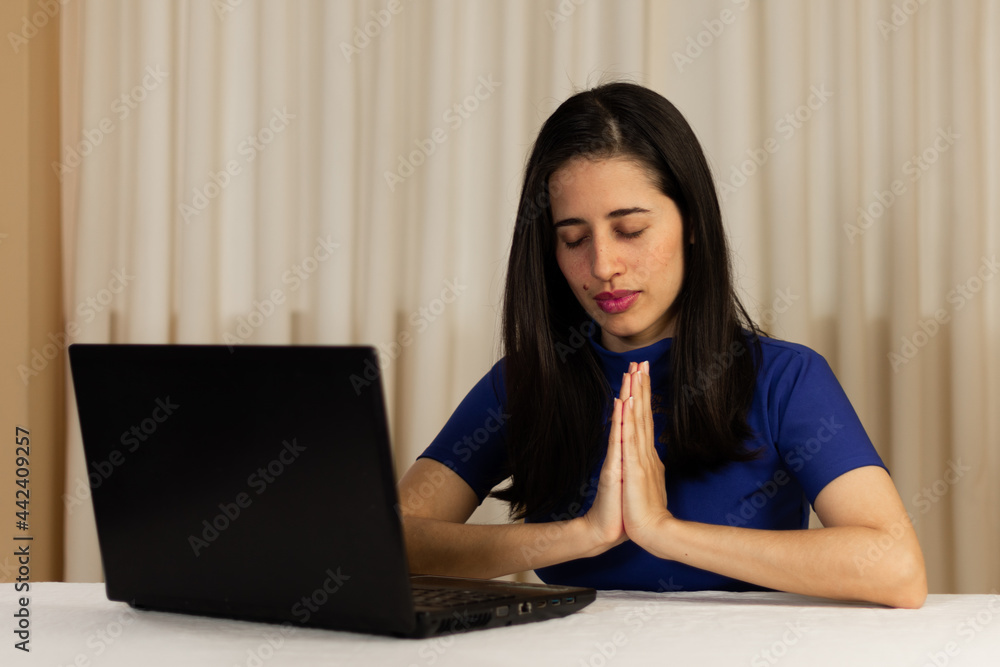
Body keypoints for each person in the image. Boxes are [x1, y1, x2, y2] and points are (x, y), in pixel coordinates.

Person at [397, 82, 927, 608]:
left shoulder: (786, 380)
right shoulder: (526, 382)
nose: (603, 266)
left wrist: (663, 531)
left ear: (691, 223)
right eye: (574, 239)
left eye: (629, 230)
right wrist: (587, 532)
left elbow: (896, 567)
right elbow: (394, 539)